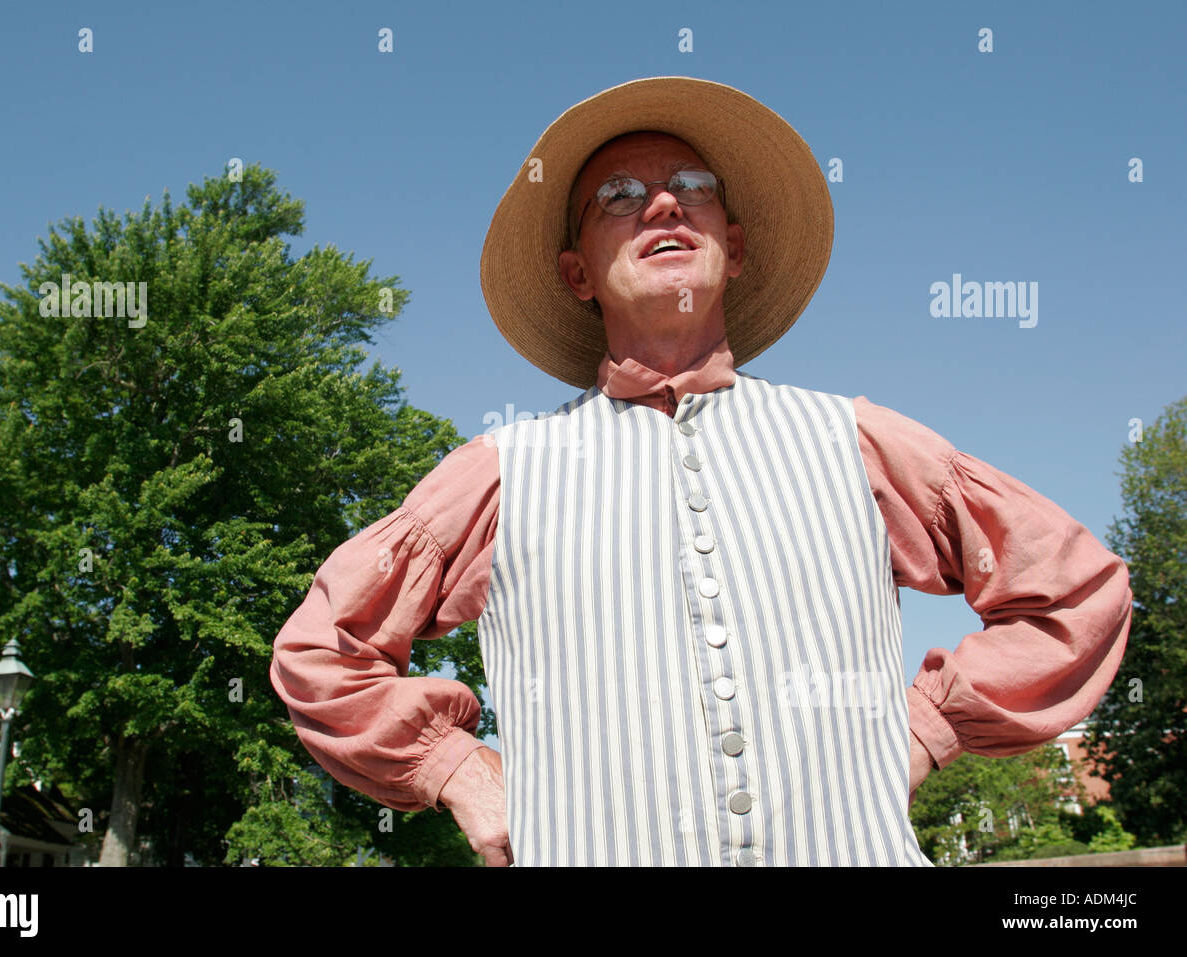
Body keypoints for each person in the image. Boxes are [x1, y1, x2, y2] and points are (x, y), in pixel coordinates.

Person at [269, 76, 1132, 867]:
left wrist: (927, 725)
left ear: (737, 245)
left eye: (696, 188)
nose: (663, 205)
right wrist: (455, 768)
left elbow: (1075, 593)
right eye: (618, 196)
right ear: (577, 274)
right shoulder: (500, 471)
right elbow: (321, 652)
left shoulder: (859, 438)